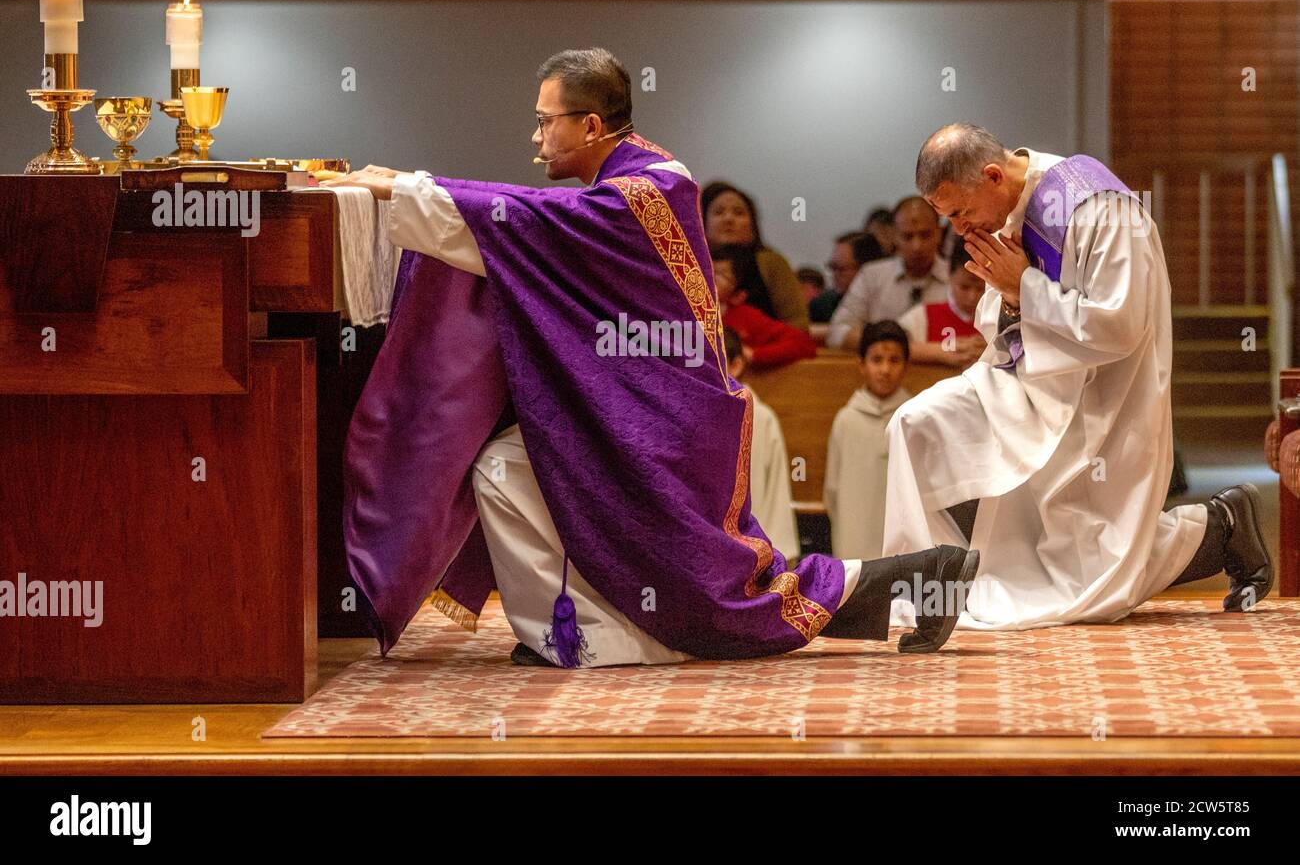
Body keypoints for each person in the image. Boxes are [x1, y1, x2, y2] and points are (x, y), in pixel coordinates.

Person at [329, 48, 980, 666]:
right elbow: (540, 225)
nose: (534, 137)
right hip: (645, 407)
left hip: (662, 421)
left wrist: (411, 190)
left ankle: (584, 638)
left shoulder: (644, 191)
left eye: (542, 122)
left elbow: (530, 224)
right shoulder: (633, 183)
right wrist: (417, 191)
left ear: (588, 125)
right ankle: (924, 574)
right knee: (509, 467)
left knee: (716, 589)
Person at [882, 122, 1272, 632]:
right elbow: (997, 314)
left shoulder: (1098, 208)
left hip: (1102, 394)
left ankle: (1219, 527)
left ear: (994, 176)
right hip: (1026, 378)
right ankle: (929, 591)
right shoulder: (1005, 211)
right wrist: (1011, 294)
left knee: (1092, 573)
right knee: (912, 426)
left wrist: (1021, 286)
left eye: (958, 212)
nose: (958, 229)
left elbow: (1120, 325)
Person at [825, 321, 912, 562]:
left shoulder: (915, 418)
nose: (885, 369)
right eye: (877, 360)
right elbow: (832, 492)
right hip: (855, 544)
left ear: (906, 366)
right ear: (861, 365)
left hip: (905, 547)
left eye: (894, 360)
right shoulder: (846, 420)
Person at [826, 196, 949, 352]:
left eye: (925, 235)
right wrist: (885, 344)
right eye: (907, 236)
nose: (917, 246)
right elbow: (837, 332)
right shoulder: (872, 275)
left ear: (939, 233)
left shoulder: (957, 278)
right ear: (894, 236)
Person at [723, 328, 800, 562]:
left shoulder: (763, 418)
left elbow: (777, 490)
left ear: (735, 366)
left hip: (755, 555)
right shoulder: (690, 415)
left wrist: (778, 554)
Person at [701, 181, 810, 331]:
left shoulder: (771, 262)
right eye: (718, 212)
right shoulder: (689, 262)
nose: (728, 219)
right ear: (702, 221)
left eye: (739, 213)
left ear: (753, 224)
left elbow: (798, 324)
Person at [713, 243, 817, 370]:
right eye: (703, 269)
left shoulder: (745, 316)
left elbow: (803, 344)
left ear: (738, 294)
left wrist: (753, 355)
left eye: (719, 274)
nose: (707, 278)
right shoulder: (683, 315)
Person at [896, 241, 987, 368]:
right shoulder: (924, 315)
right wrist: (940, 352)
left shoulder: (1001, 319)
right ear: (949, 275)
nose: (972, 297)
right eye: (964, 287)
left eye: (980, 289)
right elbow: (890, 346)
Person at [809, 231, 880, 323]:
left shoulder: (885, 300)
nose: (834, 274)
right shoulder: (821, 306)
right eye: (832, 267)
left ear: (865, 269)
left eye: (841, 269)